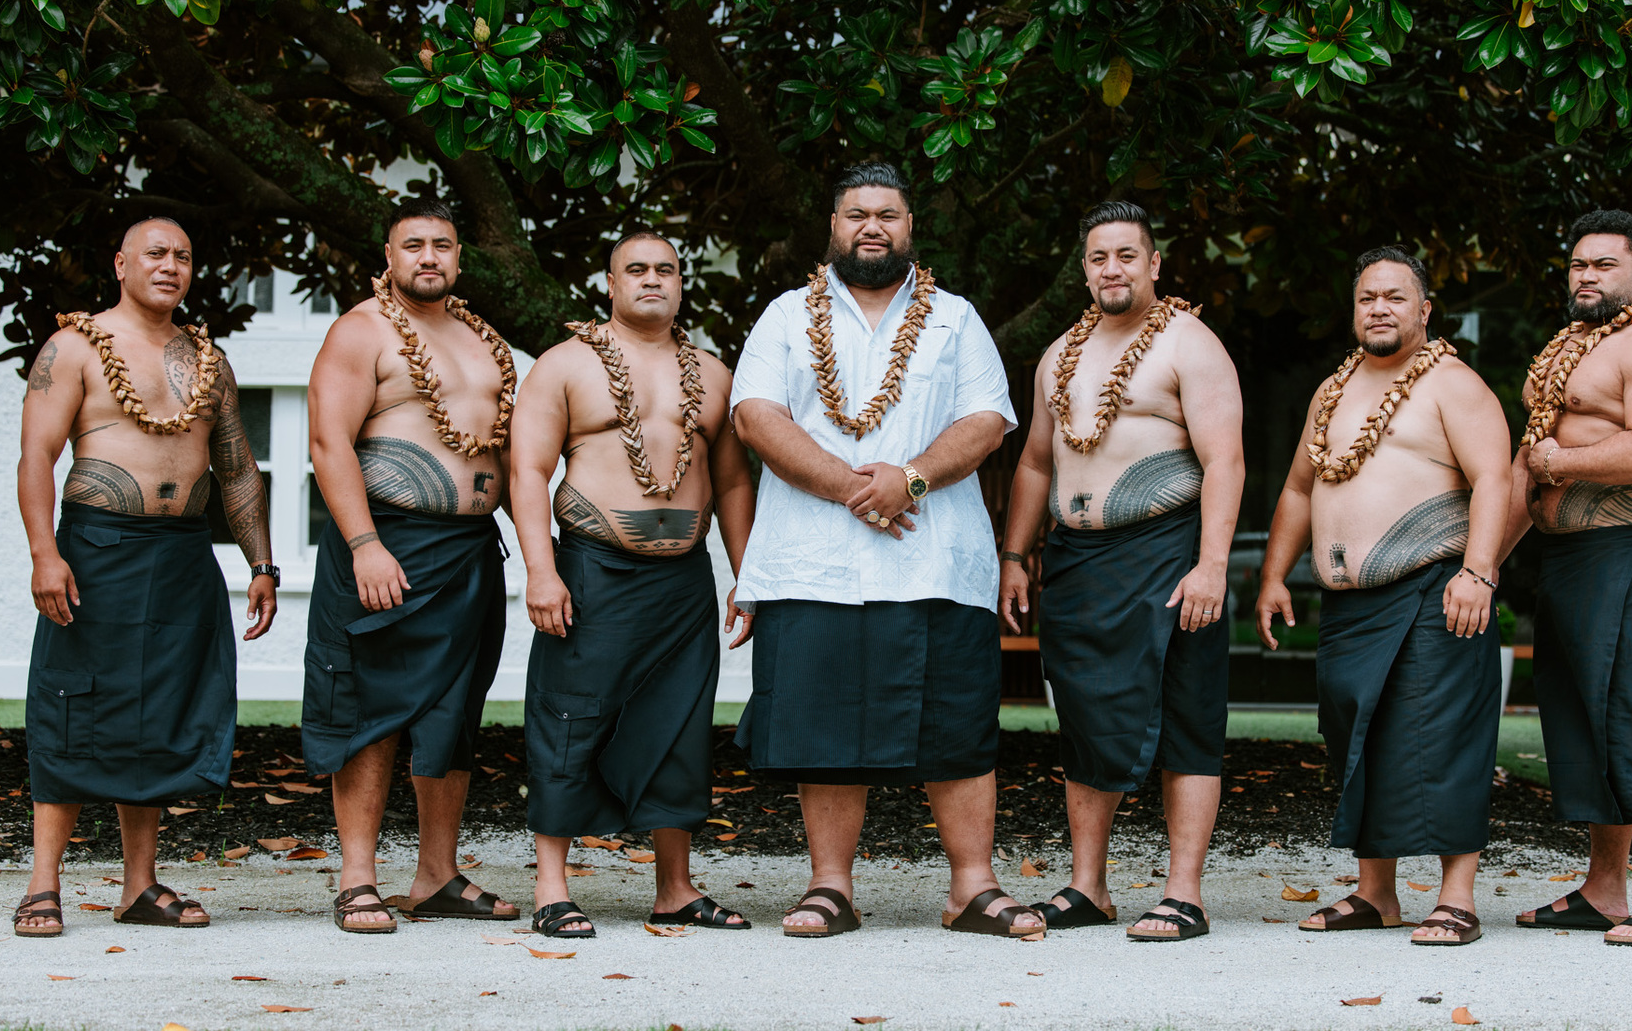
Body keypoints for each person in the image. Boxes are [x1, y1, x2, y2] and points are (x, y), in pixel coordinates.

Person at [729, 162, 1042, 939]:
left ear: (910, 227)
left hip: (935, 560)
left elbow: (987, 420)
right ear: (833, 227)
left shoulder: (955, 319)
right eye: (857, 213)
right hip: (815, 563)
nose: (873, 226)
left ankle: (973, 887)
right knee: (825, 728)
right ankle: (830, 887)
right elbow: (756, 417)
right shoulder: (785, 316)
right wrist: (854, 487)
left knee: (957, 725)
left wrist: (912, 478)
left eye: (888, 214)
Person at [13, 217, 277, 937]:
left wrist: (260, 563)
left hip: (184, 553)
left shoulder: (207, 361)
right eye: (155, 253)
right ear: (122, 264)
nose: (170, 265)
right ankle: (43, 884)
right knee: (72, 703)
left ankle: (139, 886)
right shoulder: (75, 346)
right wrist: (44, 553)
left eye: (183, 256)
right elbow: (37, 455)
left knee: (160, 709)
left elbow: (237, 469)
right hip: (96, 551)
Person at [997, 201, 1244, 941]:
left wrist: (1211, 564)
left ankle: (1183, 892)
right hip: (1078, 560)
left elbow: (1225, 461)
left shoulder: (1189, 343)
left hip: (1168, 551)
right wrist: (1014, 555)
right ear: (1085, 269)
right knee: (1084, 717)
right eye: (1099, 257)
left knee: (1188, 716)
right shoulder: (1060, 355)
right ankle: (1089, 886)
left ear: (1154, 263)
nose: (1113, 268)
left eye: (1127, 255)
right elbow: (1034, 462)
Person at [1256, 247, 1511, 946]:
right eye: (1368, 297)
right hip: (1348, 603)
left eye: (1395, 297)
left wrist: (1478, 572)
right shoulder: (1333, 390)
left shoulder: (1451, 384)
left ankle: (1456, 899)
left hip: (1433, 588)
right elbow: (1299, 489)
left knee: (1442, 738)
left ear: (1424, 310)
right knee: (1356, 739)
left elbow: (1495, 478)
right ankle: (1377, 894)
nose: (1379, 309)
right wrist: (1274, 575)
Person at [508, 229, 756, 939]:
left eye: (666, 269)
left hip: (683, 579)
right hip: (593, 569)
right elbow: (529, 470)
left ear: (681, 283)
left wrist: (747, 577)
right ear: (610, 284)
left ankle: (675, 888)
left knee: (680, 723)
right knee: (569, 718)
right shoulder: (565, 365)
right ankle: (552, 888)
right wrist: (541, 570)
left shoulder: (714, 375)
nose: (652, 279)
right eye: (636, 269)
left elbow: (733, 482)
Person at [303, 196, 519, 934]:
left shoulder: (482, 338)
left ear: (459, 257)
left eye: (443, 245)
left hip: (469, 549)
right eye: (414, 244)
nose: (429, 257)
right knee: (372, 709)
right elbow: (329, 442)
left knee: (453, 712)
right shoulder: (361, 330)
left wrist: (543, 555)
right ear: (390, 257)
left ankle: (436, 875)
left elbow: (508, 453)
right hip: (387, 542)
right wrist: (365, 543)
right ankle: (357, 879)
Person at [1503, 210, 1632, 947]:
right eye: (1578, 264)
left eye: (1604, 264)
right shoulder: (1572, 346)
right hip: (1570, 560)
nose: (1586, 275)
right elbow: (1526, 462)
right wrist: (1482, 563)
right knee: (1583, 722)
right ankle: (1605, 888)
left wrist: (1559, 463)